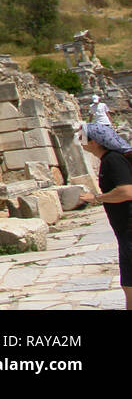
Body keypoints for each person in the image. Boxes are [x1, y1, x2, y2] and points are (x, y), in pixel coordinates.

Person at [79, 123, 132, 309]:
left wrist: (96, 198)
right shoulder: (108, 160)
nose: (79, 141)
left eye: (82, 137)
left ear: (94, 142)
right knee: (128, 284)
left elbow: (126, 192)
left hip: (129, 229)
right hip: (124, 231)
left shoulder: (113, 160)